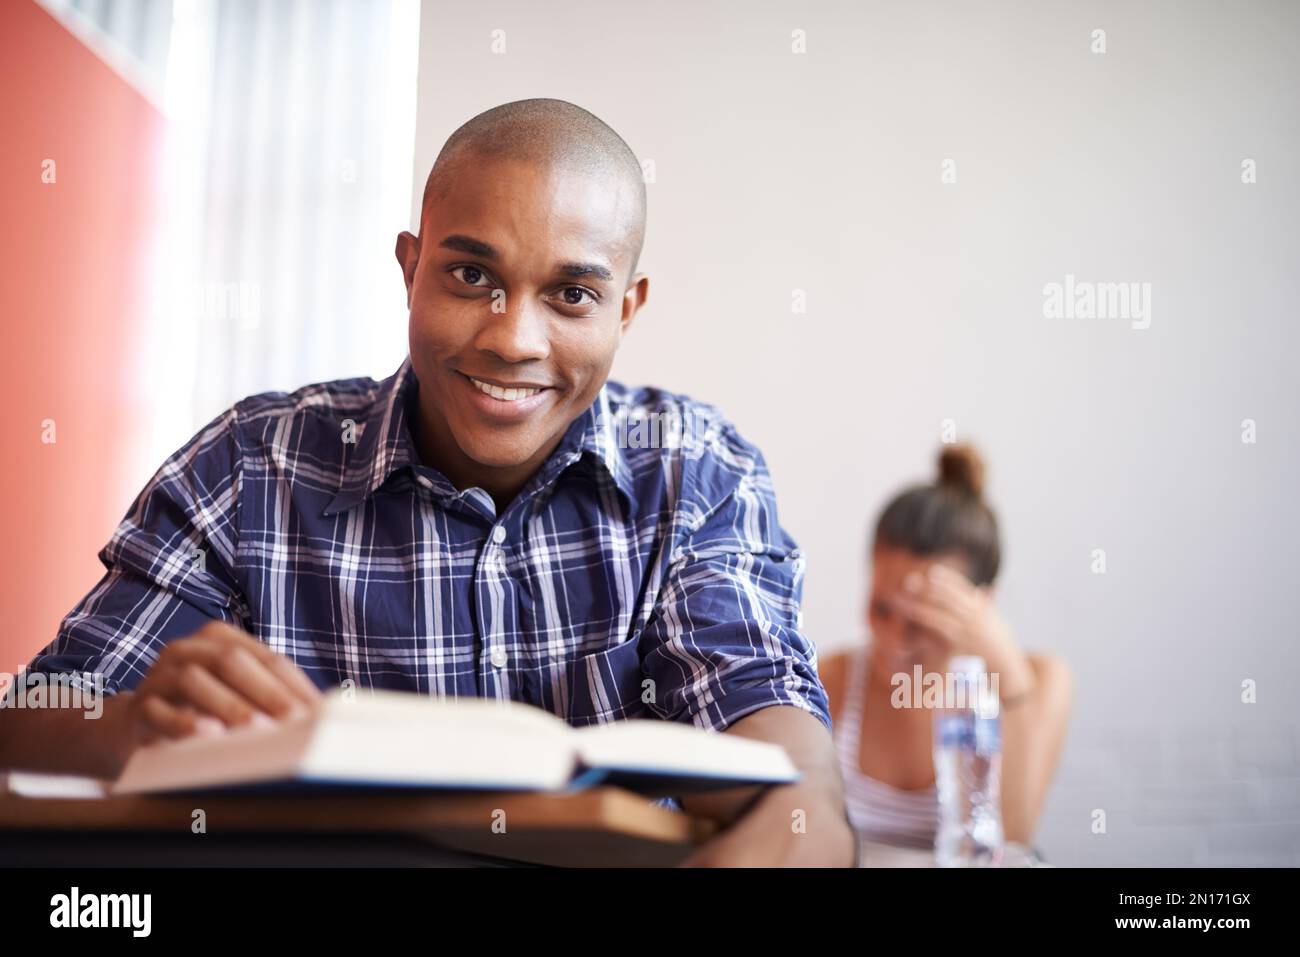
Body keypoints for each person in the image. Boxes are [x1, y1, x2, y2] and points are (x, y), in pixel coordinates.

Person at [0, 99, 853, 866]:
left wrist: (807, 802)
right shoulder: (251, 464)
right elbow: (33, 717)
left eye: (570, 294)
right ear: (411, 267)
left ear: (625, 310)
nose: (513, 338)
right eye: (471, 275)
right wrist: (128, 724)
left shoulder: (694, 468)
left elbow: (757, 686)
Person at [819, 444, 1072, 854]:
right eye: (881, 608)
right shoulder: (829, 679)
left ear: (981, 606)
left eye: (923, 622)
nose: (894, 640)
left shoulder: (1038, 682)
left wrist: (1006, 672)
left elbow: (1013, 838)